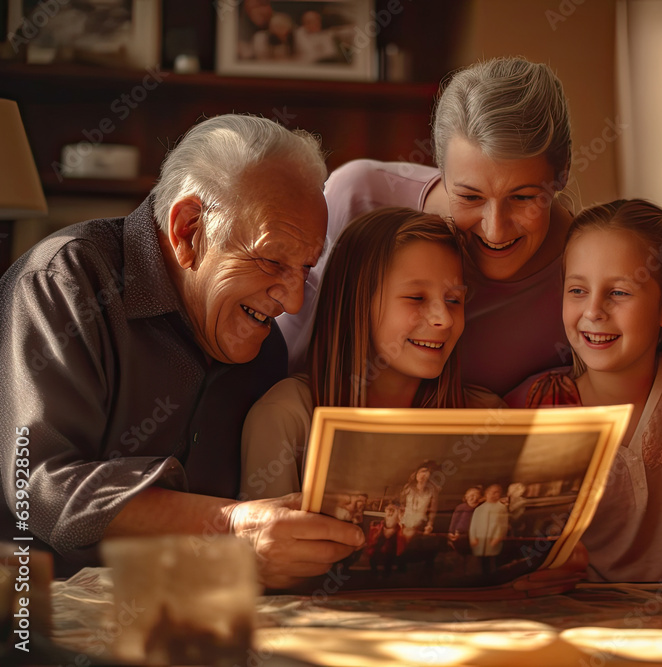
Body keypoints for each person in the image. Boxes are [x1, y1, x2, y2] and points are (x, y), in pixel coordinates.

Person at [0, 114, 365, 588]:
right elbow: (42, 488)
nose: (292, 301)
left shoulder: (263, 345)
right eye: (272, 259)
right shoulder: (64, 283)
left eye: (305, 268)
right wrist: (232, 531)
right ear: (189, 228)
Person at [276, 56, 576, 396]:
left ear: (562, 171)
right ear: (441, 170)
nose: (495, 231)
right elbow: (284, 359)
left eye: (522, 198)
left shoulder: (587, 272)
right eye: (470, 197)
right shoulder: (361, 198)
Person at [512, 199, 662, 583]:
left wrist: (655, 620)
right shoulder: (533, 408)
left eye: (618, 293)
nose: (593, 311)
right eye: (577, 290)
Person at [240, 207, 504, 500]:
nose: (446, 319)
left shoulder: (488, 418)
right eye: (416, 298)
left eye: (454, 300)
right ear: (357, 303)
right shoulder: (286, 417)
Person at [469, 483, 509, 575]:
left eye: (496, 493)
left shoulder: (501, 508)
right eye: (491, 492)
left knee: (494, 563)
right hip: (480, 540)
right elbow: (473, 525)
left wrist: (498, 538)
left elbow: (503, 525)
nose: (493, 495)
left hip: (493, 540)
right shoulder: (479, 509)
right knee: (482, 563)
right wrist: (473, 538)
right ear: (486, 494)